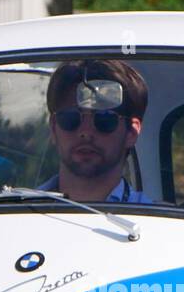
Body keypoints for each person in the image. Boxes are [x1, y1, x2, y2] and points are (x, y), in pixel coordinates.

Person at [40, 59, 150, 203]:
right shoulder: (19, 215)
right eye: (70, 118)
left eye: (104, 119)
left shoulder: (154, 222)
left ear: (132, 132)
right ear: (54, 127)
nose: (86, 132)